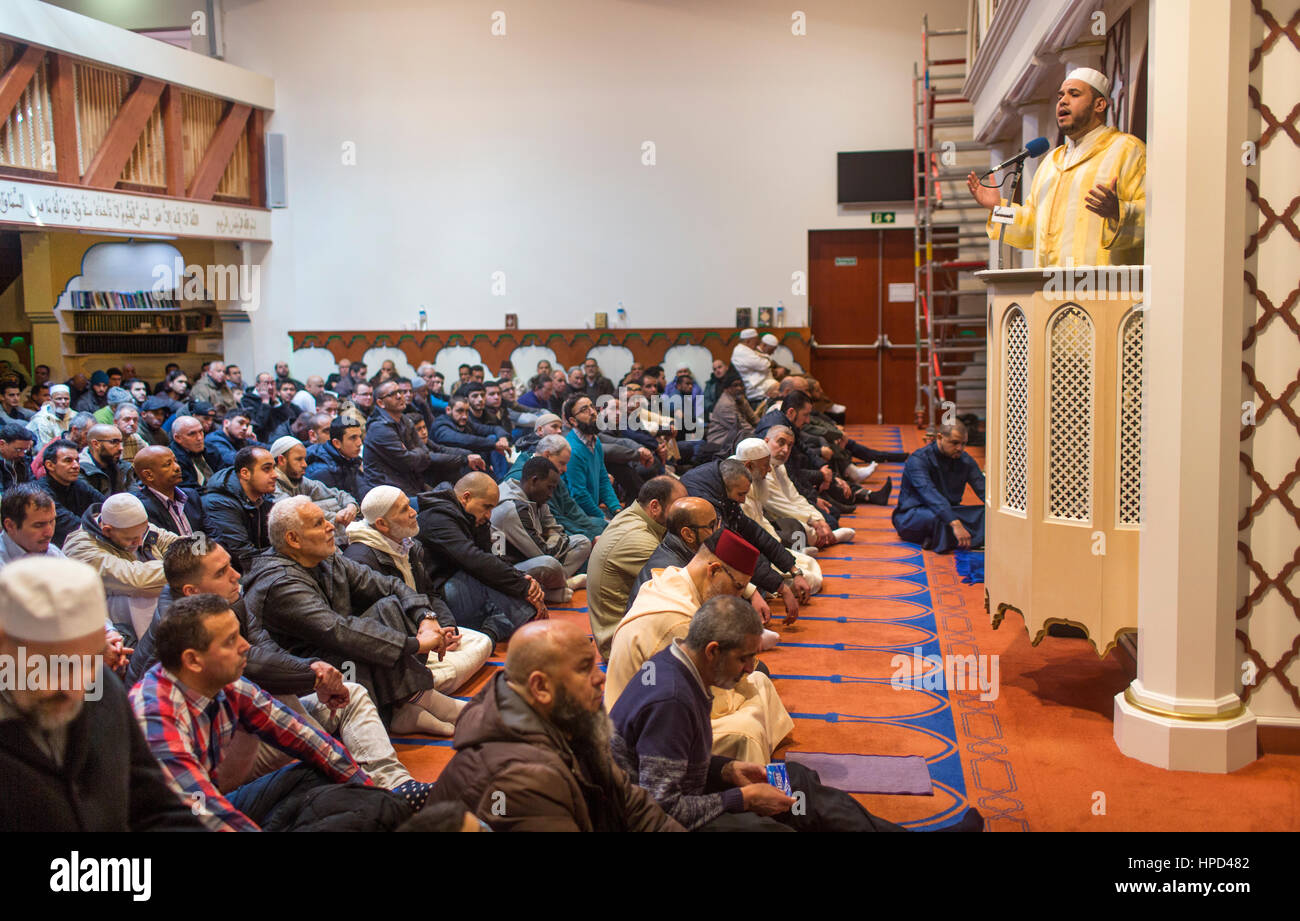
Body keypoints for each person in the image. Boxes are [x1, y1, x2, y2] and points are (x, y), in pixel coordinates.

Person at [611, 595, 981, 832]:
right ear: (711, 650)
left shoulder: (674, 660)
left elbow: (673, 760)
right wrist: (743, 799)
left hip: (681, 794)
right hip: (658, 821)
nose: (748, 668)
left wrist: (724, 769)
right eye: (743, 658)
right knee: (780, 827)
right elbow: (660, 807)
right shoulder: (672, 700)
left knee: (796, 780)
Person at [127, 536, 436, 811]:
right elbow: (255, 664)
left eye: (230, 566)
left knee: (347, 694)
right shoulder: (181, 632)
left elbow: (262, 648)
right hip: (206, 774)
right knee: (295, 721)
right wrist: (313, 674)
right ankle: (372, 800)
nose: (237, 575)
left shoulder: (224, 602)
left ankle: (394, 787)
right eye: (221, 573)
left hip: (238, 726)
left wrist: (313, 673)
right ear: (191, 591)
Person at [130, 593, 413, 832]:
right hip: (173, 825)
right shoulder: (155, 715)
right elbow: (197, 810)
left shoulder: (224, 684)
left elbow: (309, 740)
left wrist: (372, 793)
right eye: (231, 641)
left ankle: (394, 799)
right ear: (193, 660)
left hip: (207, 802)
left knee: (321, 773)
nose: (245, 646)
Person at [0, 557, 204, 831]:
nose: (77, 691)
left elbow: (151, 805)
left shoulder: (100, 684)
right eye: (60, 667)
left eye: (91, 660)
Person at [429, 619, 683, 832]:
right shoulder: (520, 780)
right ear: (540, 687)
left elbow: (634, 807)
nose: (601, 676)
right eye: (585, 668)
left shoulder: (570, 722)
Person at [241, 496, 463, 735]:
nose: (330, 526)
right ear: (293, 539)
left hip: (337, 655)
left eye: (326, 519)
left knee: (388, 607)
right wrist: (416, 644)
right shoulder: (279, 582)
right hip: (311, 678)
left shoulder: (327, 558)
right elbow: (338, 631)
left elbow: (390, 585)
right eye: (318, 523)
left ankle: (408, 706)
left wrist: (427, 618)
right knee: (363, 638)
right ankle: (419, 699)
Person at [606, 530, 793, 763]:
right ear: (713, 570)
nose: (737, 599)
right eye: (737, 588)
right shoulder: (678, 621)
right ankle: (748, 788)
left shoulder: (673, 577)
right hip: (643, 732)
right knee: (746, 730)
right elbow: (713, 704)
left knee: (760, 682)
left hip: (666, 705)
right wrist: (742, 697)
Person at [967, 67, 1145, 267]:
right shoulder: (1051, 162)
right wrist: (997, 208)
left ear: (1099, 104)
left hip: (1102, 291)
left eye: (1074, 94)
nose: (1063, 101)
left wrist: (1118, 212)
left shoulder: (1126, 150)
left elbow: (1156, 217)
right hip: (1050, 291)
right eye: (1060, 96)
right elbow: (1031, 226)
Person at [342, 485, 493, 693]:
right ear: (382, 524)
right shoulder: (360, 558)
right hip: (401, 644)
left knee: (483, 641)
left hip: (426, 626)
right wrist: (425, 638)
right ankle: (417, 687)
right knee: (447, 671)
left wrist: (446, 627)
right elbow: (375, 624)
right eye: (404, 510)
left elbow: (429, 594)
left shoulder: (408, 544)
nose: (414, 512)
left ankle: (425, 685)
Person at [417, 471, 547, 647]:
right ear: (466, 497)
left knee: (513, 583)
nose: (489, 515)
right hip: (442, 597)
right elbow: (474, 560)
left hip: (466, 588)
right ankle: (534, 628)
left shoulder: (473, 518)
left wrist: (524, 581)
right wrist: (522, 587)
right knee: (494, 580)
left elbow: (492, 557)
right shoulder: (435, 518)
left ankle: (487, 636)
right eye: (487, 507)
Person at [681, 456, 810, 624]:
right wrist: (780, 588)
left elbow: (755, 532)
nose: (742, 500)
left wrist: (793, 570)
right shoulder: (705, 500)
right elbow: (730, 548)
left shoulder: (722, 487)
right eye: (741, 494)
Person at [627, 496, 776, 638]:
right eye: (712, 526)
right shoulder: (666, 569)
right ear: (688, 534)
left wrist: (751, 592)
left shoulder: (685, 552)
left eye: (718, 523)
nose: (718, 531)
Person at [586, 475, 686, 657]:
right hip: (622, 646)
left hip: (630, 632)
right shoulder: (637, 538)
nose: (683, 512)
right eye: (678, 506)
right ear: (655, 506)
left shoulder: (635, 518)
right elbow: (685, 582)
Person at [63, 492, 178, 644]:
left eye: (142, 534)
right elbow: (137, 581)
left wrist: (203, 549)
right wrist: (186, 567)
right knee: (144, 594)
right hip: (113, 629)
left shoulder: (133, 527)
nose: (138, 542)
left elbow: (181, 543)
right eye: (131, 539)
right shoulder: (80, 548)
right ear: (108, 531)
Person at [492, 455, 592, 602]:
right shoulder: (513, 507)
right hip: (506, 570)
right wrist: (553, 538)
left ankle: (549, 590)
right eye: (549, 488)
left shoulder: (537, 497)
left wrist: (553, 538)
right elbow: (542, 553)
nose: (551, 494)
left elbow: (557, 530)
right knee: (548, 564)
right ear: (534, 481)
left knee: (582, 542)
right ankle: (556, 588)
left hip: (531, 555)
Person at [731, 438, 822, 591]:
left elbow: (761, 522)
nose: (769, 470)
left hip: (766, 544)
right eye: (766, 465)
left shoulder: (752, 478)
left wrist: (778, 547)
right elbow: (751, 539)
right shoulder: (737, 490)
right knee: (811, 580)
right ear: (749, 466)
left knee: (809, 562)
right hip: (753, 558)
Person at [893, 422, 986, 553]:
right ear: (939, 437)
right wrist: (955, 522)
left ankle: (938, 538)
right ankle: (961, 538)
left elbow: (983, 489)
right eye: (954, 443)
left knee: (986, 514)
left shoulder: (965, 460)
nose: (960, 448)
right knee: (941, 520)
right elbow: (929, 494)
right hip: (913, 515)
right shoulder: (918, 459)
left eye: (963, 444)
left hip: (950, 510)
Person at [762, 425, 855, 548]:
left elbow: (794, 497)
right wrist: (813, 522)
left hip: (783, 510)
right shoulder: (761, 466)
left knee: (825, 520)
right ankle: (824, 539)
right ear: (766, 441)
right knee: (798, 528)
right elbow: (780, 505)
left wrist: (819, 519)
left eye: (789, 446)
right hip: (765, 516)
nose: (785, 450)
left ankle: (815, 541)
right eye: (781, 443)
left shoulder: (778, 465)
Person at [201, 445, 276, 573]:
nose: (275, 475)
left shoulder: (262, 499)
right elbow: (243, 556)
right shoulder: (219, 503)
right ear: (245, 473)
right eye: (267, 469)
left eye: (274, 468)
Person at [362, 380, 434, 497]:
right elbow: (408, 462)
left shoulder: (404, 419)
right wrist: (416, 453)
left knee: (448, 493)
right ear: (381, 403)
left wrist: (414, 452)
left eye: (399, 391)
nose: (400, 396)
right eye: (392, 394)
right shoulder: (379, 428)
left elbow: (426, 453)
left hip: (409, 484)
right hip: (388, 492)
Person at [270, 437, 358, 530]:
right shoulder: (271, 486)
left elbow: (339, 494)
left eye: (304, 459)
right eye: (299, 459)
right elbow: (295, 512)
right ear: (281, 460)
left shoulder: (302, 481)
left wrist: (351, 506)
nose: (304, 464)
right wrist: (335, 517)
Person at [562, 394, 621, 521]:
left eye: (592, 406)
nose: (593, 412)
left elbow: (603, 479)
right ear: (573, 421)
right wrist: (603, 519)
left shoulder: (595, 440)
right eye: (584, 410)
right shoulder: (572, 449)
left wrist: (617, 510)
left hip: (592, 512)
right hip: (577, 517)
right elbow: (579, 494)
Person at [37, 438, 104, 547]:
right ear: (50, 465)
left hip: (81, 541)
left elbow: (106, 504)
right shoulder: (39, 492)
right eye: (68, 460)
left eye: (77, 460)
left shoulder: (77, 484)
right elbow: (70, 524)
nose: (76, 466)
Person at [131, 445, 205, 536]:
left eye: (175, 461)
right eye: (168, 464)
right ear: (148, 475)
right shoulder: (142, 508)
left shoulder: (191, 495)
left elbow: (213, 533)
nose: (177, 467)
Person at [433, 395, 510, 480]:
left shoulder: (466, 423)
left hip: (470, 461)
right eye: (460, 411)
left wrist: (502, 438)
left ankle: (502, 479)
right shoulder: (440, 425)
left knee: (493, 437)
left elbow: (493, 428)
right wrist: (494, 445)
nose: (464, 416)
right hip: (450, 469)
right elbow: (462, 439)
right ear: (448, 410)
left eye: (466, 412)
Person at [0, 483, 64, 567]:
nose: (49, 533)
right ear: (10, 526)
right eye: (38, 525)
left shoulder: (53, 553)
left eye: (52, 521)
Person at [306, 417, 366, 498]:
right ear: (337, 443)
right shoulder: (322, 471)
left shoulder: (351, 459)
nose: (359, 443)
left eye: (360, 436)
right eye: (353, 438)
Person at [704, 367, 758, 450]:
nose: (739, 388)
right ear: (726, 389)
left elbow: (754, 419)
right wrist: (761, 435)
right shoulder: (726, 404)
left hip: (732, 440)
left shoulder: (740, 398)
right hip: (718, 444)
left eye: (740, 385)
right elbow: (742, 427)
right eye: (735, 385)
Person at [170, 415, 221, 490]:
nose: (199, 438)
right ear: (178, 438)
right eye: (192, 434)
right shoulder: (172, 460)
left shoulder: (210, 449)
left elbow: (224, 474)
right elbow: (189, 491)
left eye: (201, 432)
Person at [77, 423, 128, 496]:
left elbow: (135, 495)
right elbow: (92, 501)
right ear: (96, 444)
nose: (121, 448)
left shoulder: (122, 466)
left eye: (121, 442)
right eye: (114, 442)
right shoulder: (80, 470)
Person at [731, 329, 779, 402]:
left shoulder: (746, 350)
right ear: (748, 341)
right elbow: (763, 365)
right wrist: (769, 363)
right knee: (782, 389)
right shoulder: (741, 351)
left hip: (761, 383)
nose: (757, 344)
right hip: (755, 388)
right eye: (755, 342)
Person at [26, 383, 73, 447]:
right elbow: (45, 448)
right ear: (50, 400)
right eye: (59, 399)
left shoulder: (75, 416)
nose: (63, 402)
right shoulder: (41, 419)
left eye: (66, 399)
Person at [0, 422, 34, 493]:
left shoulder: (23, 460)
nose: (22, 454)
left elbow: (32, 484)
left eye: (25, 450)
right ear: (2, 444)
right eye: (18, 449)